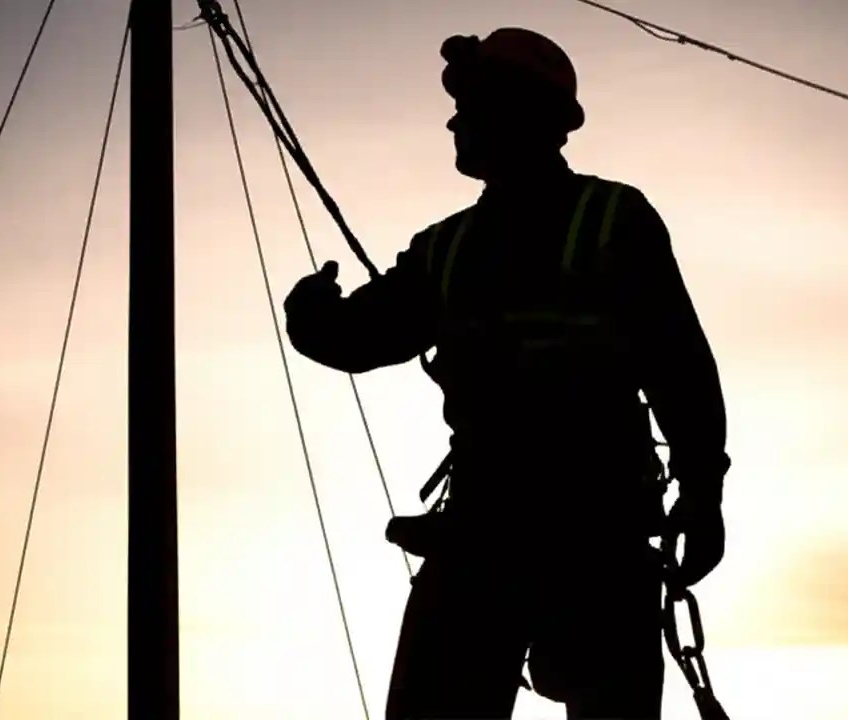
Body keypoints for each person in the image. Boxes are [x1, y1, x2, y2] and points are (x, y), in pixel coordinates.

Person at [283, 27, 730, 720]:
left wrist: (703, 491)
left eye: (471, 102)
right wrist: (313, 318)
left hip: (573, 539)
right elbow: (358, 337)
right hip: (528, 539)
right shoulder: (456, 246)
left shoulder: (603, 221)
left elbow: (678, 365)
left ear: (522, 112)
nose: (454, 119)